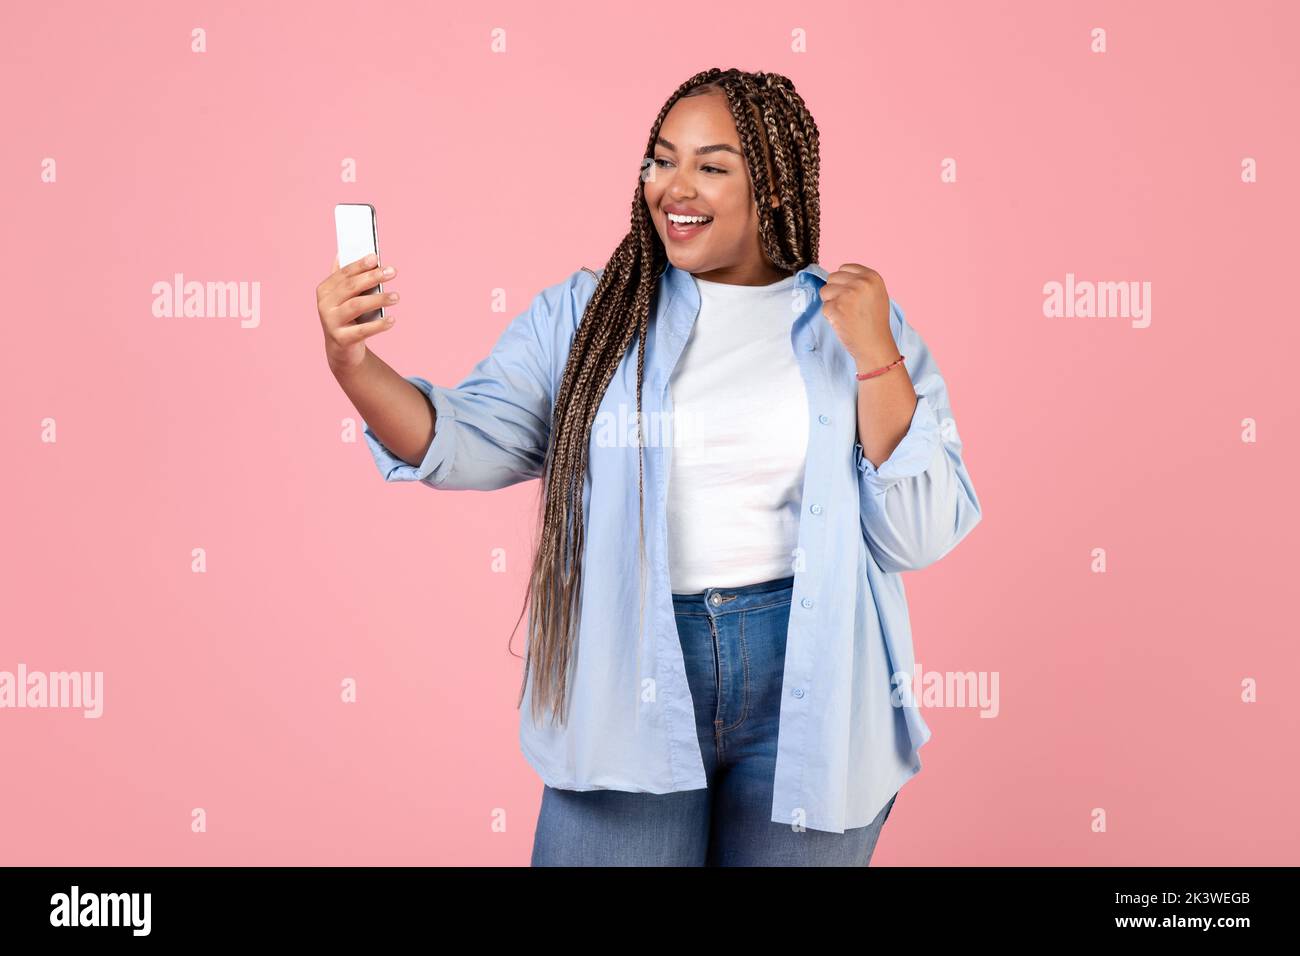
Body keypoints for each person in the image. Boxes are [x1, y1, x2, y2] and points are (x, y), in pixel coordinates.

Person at [316, 67, 982, 866]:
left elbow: (917, 534)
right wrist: (352, 363)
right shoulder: (588, 316)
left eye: (711, 164)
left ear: (771, 186)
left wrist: (876, 355)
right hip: (630, 670)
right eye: (661, 159)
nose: (675, 186)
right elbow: (459, 439)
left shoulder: (858, 322)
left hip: (813, 677)